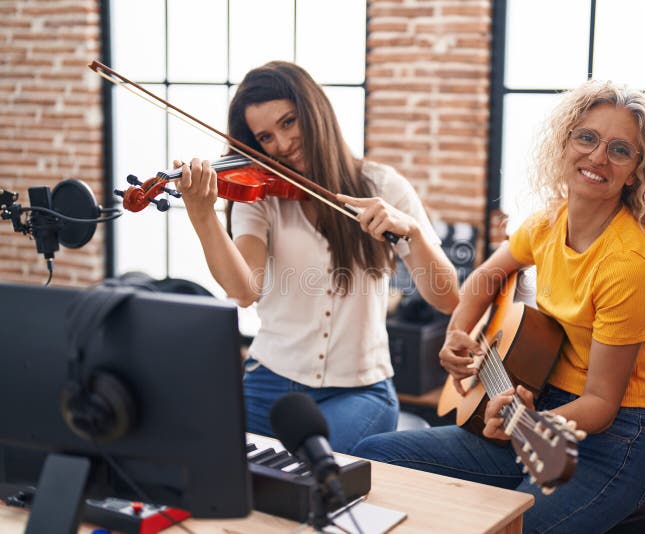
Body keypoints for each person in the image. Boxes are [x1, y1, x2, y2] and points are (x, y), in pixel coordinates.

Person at [352, 79, 645, 531]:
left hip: (610, 445)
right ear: (566, 142)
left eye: (619, 150)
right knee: (371, 459)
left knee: (504, 526)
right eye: (586, 138)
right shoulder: (549, 222)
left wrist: (523, 420)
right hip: (539, 402)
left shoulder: (630, 266)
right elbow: (485, 278)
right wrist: (459, 330)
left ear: (635, 172)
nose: (596, 157)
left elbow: (600, 403)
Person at [175, 61, 459, 453]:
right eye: (265, 137)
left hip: (359, 391)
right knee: (216, 471)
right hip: (268, 382)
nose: (282, 144)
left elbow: (446, 297)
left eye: (289, 122)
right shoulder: (260, 198)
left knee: (314, 479)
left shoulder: (383, 186)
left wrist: (411, 231)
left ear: (315, 111)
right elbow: (243, 291)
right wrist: (203, 216)